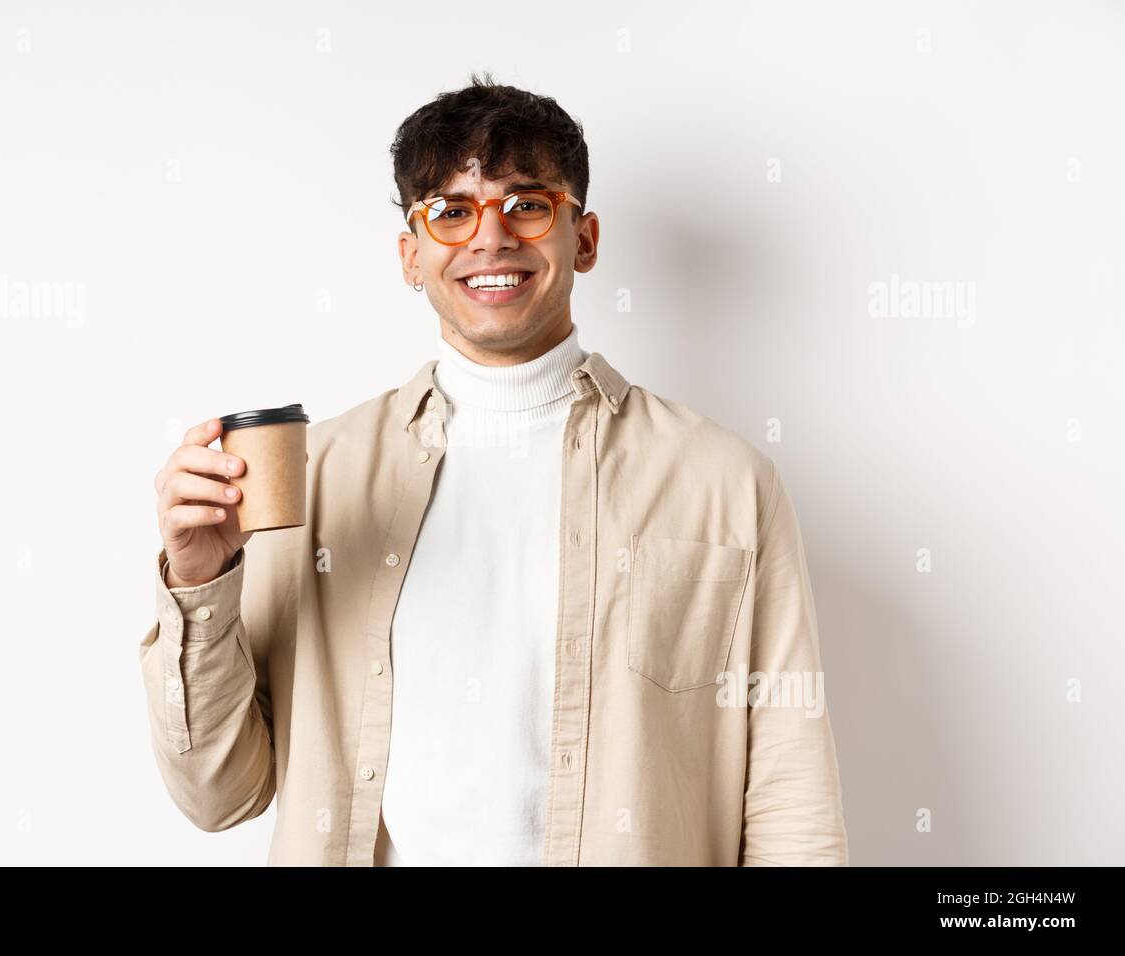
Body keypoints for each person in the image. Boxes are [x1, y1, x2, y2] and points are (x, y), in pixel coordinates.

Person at [141, 72, 849, 866]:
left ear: (582, 238)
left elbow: (792, 800)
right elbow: (218, 792)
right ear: (412, 256)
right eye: (452, 212)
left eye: (527, 204)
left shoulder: (724, 483)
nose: (491, 238)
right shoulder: (316, 477)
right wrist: (202, 582)